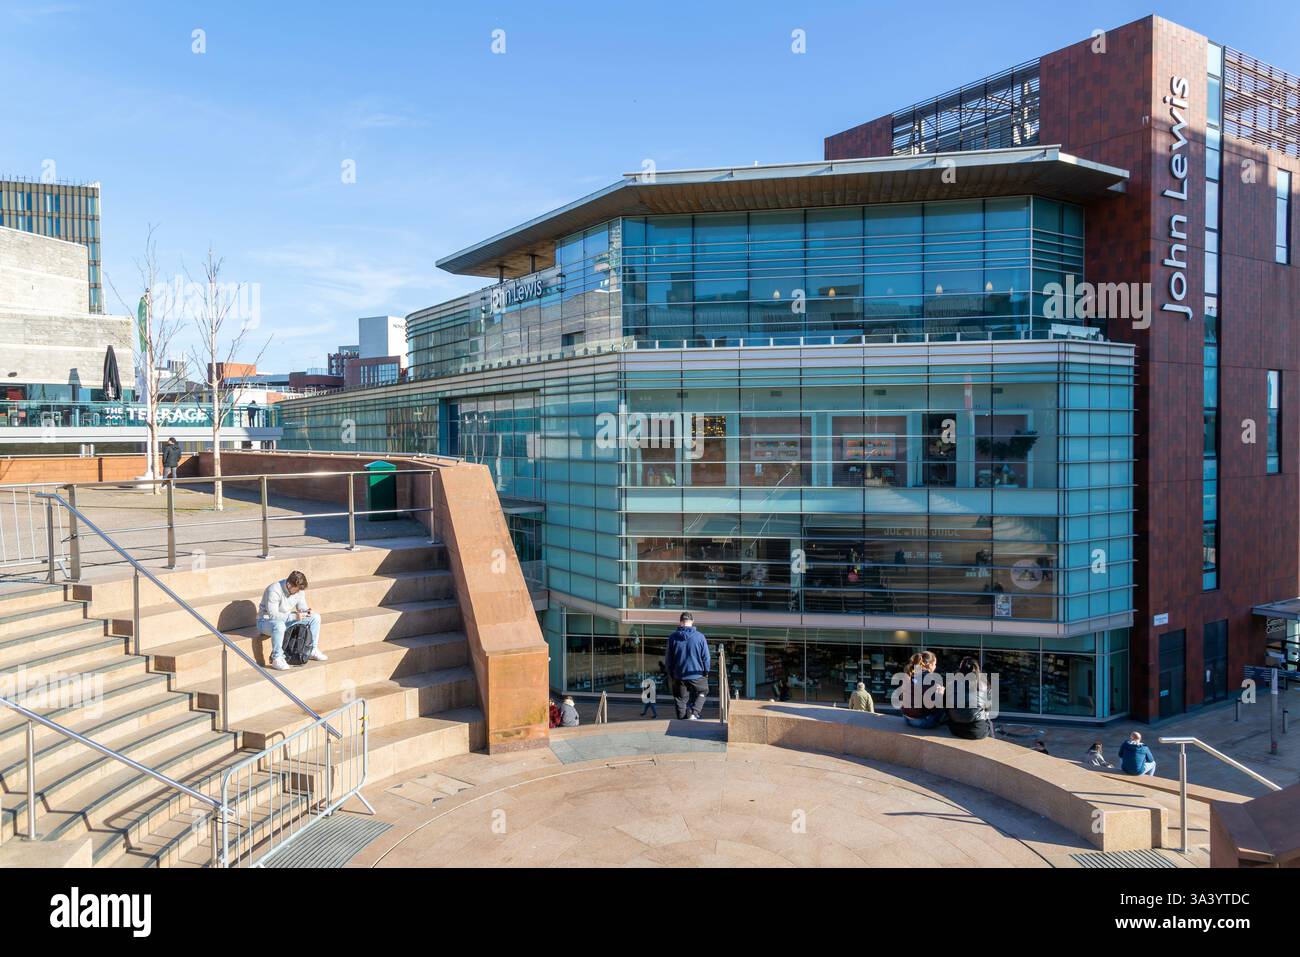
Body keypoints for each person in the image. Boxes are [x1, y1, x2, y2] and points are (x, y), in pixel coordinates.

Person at [257, 570, 325, 671]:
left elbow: (301, 606)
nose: (299, 592)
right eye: (297, 590)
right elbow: (273, 616)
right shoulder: (274, 590)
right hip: (266, 622)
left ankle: (311, 650)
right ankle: (277, 658)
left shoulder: (299, 590)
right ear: (289, 585)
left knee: (315, 618)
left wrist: (305, 611)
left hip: (286, 619)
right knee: (279, 625)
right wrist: (294, 617)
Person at [665, 611, 710, 720]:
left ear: (680, 622)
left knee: (680, 700)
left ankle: (682, 723)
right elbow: (706, 657)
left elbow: (668, 659)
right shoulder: (700, 637)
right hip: (696, 674)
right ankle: (695, 713)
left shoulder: (672, 637)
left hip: (679, 675)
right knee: (703, 691)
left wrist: (671, 674)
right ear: (692, 622)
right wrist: (706, 672)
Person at [945, 656, 991, 739]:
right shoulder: (984, 684)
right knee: (988, 719)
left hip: (955, 729)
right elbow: (989, 707)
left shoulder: (951, 683)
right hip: (977, 731)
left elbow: (945, 705)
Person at [902, 651, 945, 729]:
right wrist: (940, 695)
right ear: (930, 665)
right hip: (920, 722)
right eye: (935, 664)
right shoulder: (929, 679)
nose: (935, 666)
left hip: (906, 718)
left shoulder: (911, 673)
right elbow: (931, 707)